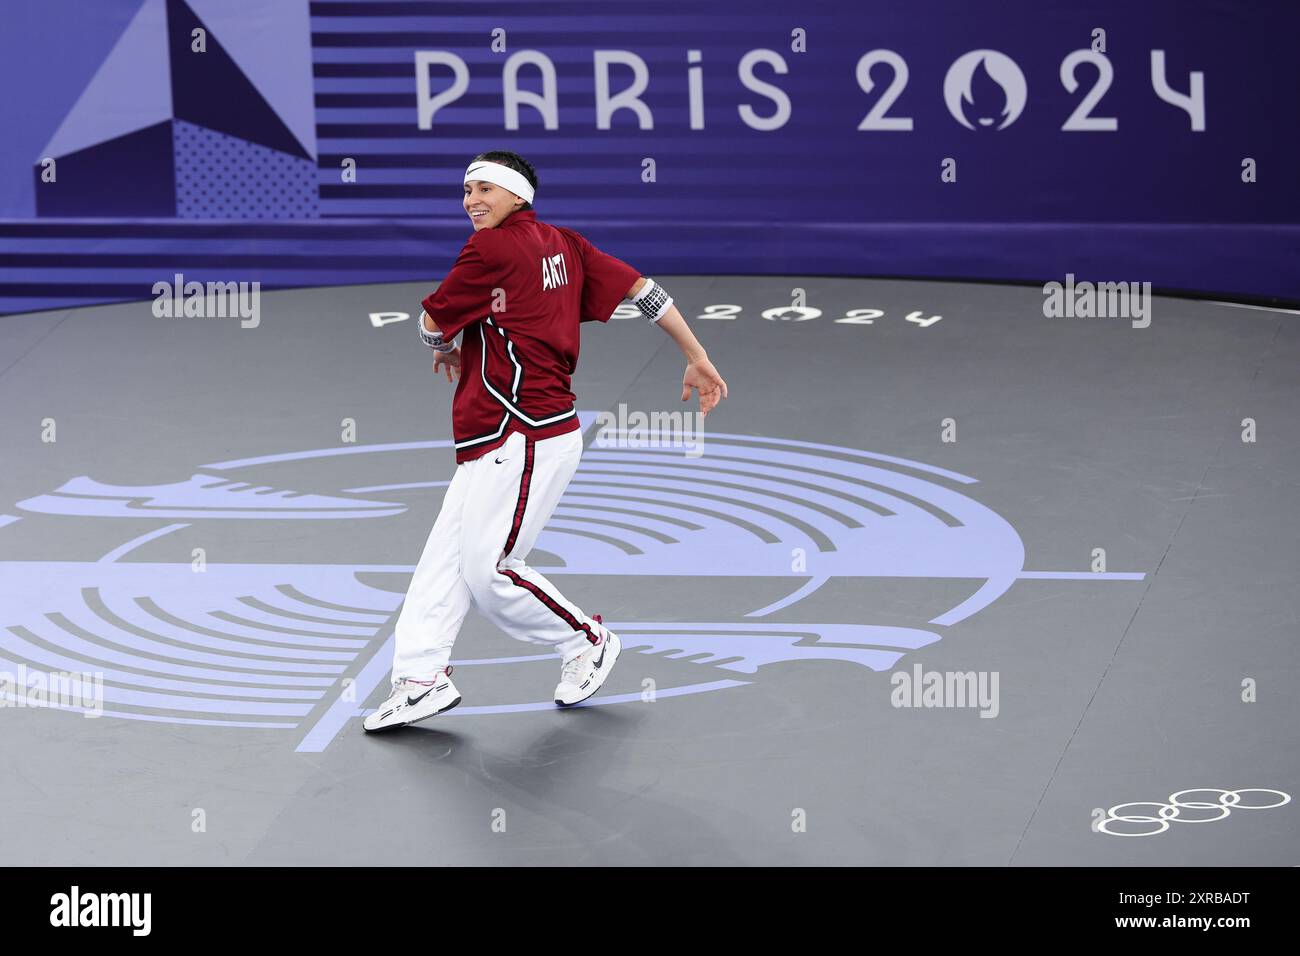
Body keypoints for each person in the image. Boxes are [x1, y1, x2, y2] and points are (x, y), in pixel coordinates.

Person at [363, 151, 728, 732]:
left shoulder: (489, 249)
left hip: (524, 431)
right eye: (465, 191)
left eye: (484, 189)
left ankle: (587, 640)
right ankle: (420, 679)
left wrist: (442, 347)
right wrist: (696, 353)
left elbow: (432, 323)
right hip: (503, 433)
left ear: (516, 196)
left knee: (491, 570)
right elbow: (645, 290)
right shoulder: (568, 244)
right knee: (445, 560)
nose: (471, 201)